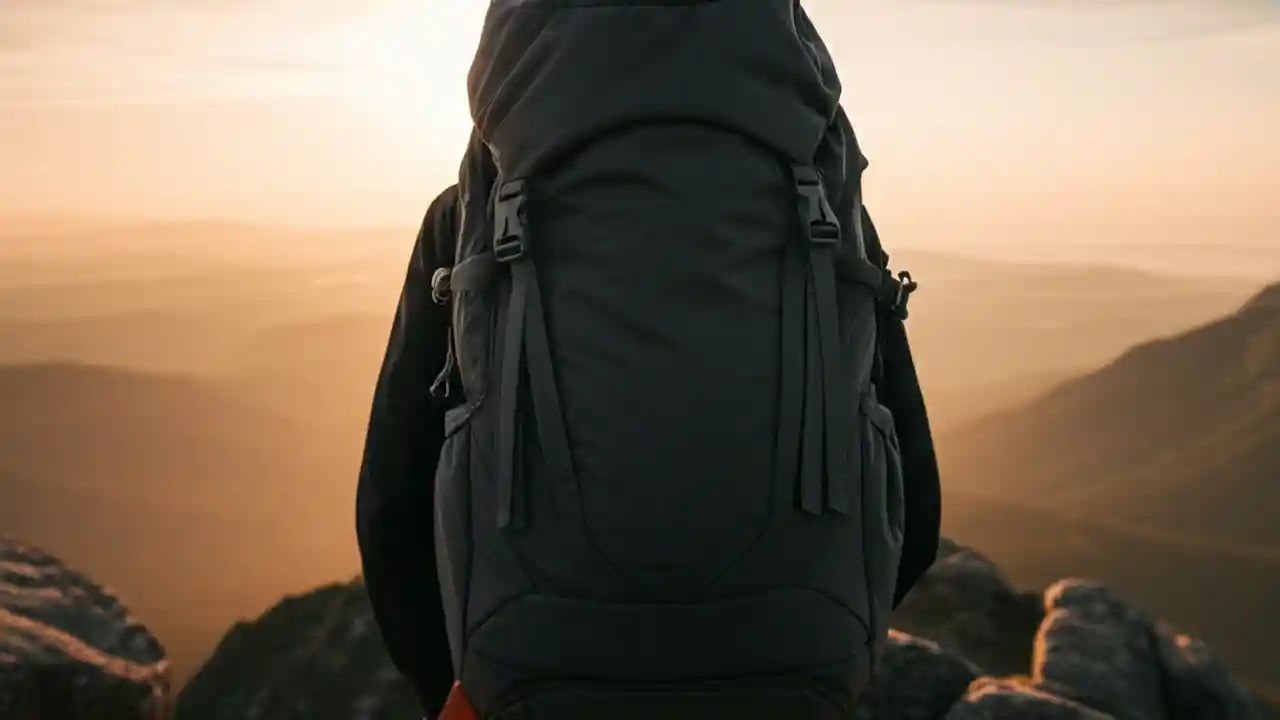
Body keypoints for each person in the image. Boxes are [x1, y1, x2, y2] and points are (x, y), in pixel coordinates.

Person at [358, 3, 941, 718]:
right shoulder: (820, 209)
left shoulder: (467, 219)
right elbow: (915, 494)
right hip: (795, 666)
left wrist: (452, 685)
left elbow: (391, 508)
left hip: (528, 672)